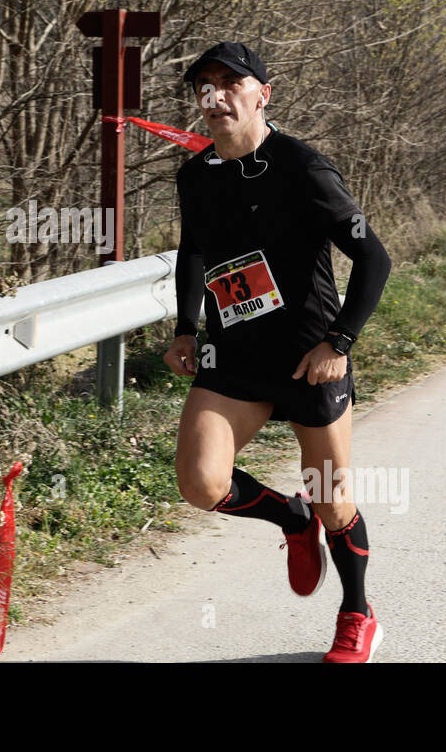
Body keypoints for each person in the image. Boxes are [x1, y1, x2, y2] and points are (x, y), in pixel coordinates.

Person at [163, 42, 392, 662]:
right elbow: (194, 253)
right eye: (204, 85)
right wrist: (188, 327)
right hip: (235, 355)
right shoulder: (196, 174)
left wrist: (339, 343)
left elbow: (374, 257)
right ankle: (291, 520)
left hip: (306, 357)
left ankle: (357, 612)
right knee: (201, 483)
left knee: (335, 500)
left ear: (263, 94)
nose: (215, 96)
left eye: (230, 83)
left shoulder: (303, 169)